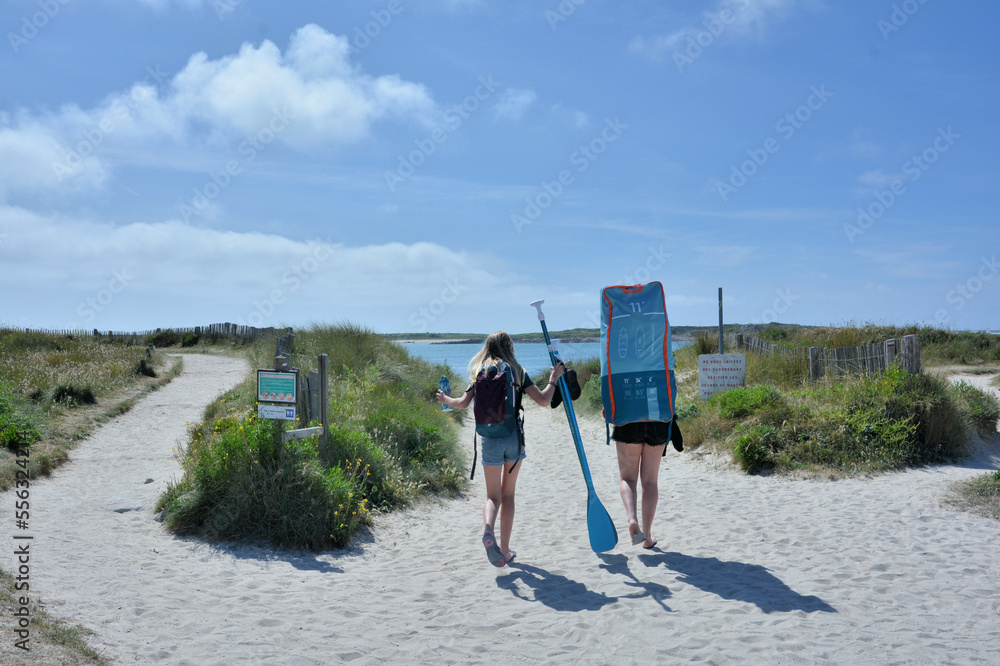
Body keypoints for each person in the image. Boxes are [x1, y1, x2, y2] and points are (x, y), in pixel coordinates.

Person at [437, 331, 564, 567]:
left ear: (488, 348)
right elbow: (544, 400)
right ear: (509, 347)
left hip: (489, 439)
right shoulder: (516, 370)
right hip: (513, 438)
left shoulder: (481, 372)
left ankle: (488, 530)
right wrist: (553, 378)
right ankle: (504, 551)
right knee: (508, 495)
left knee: (492, 496)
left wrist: (445, 399)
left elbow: (463, 404)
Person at [610, 417, 680, 549]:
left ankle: (632, 519)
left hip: (627, 421)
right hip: (658, 422)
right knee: (650, 482)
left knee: (628, 479)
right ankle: (647, 537)